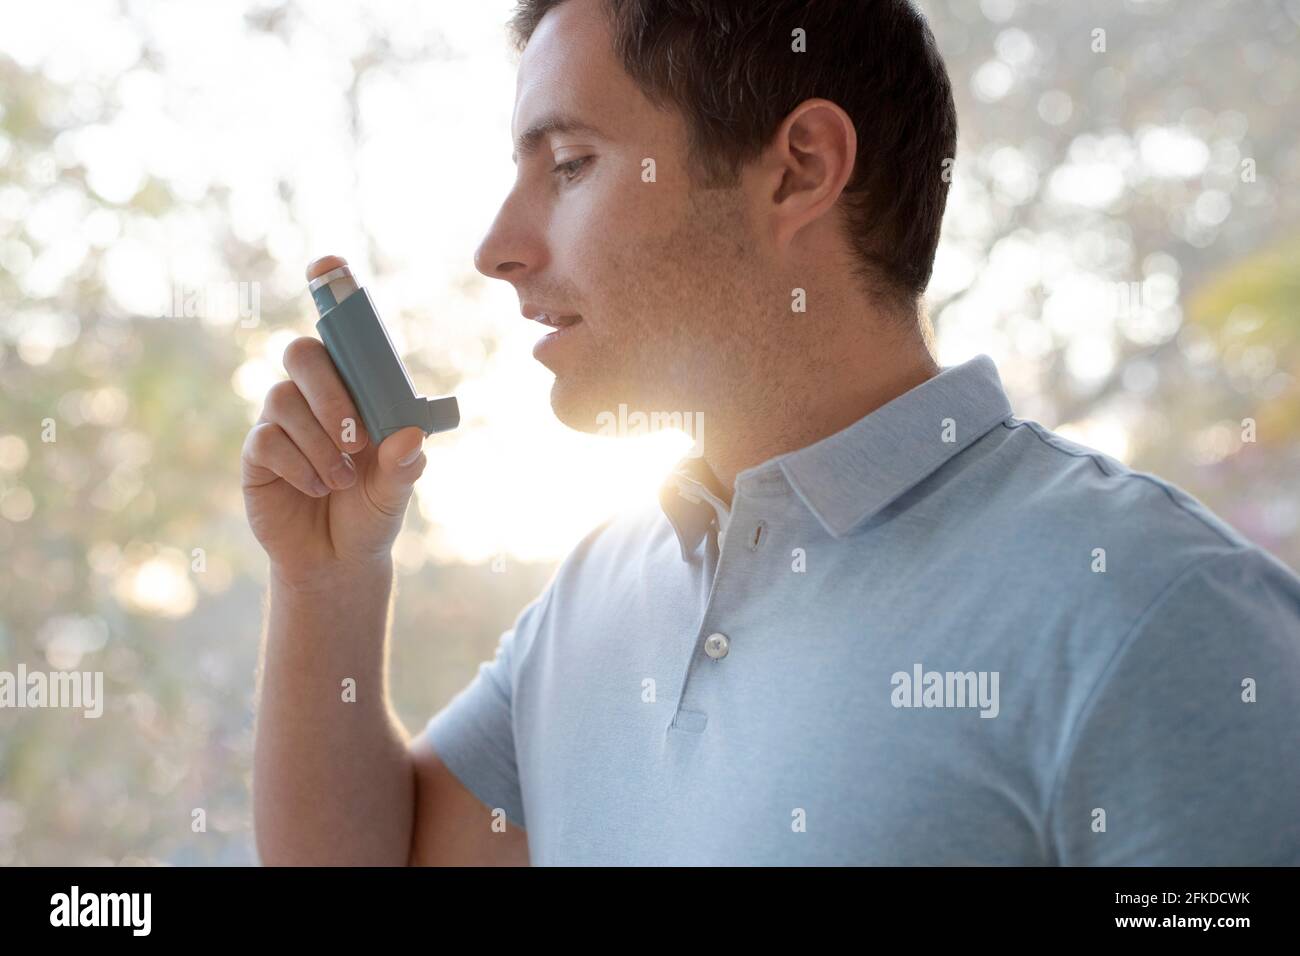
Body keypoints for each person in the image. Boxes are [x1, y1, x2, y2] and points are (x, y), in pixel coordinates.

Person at [242, 0, 1300, 865]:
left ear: (797, 168)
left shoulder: (1157, 611)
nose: (497, 247)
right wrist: (328, 580)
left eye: (568, 164)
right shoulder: (596, 594)